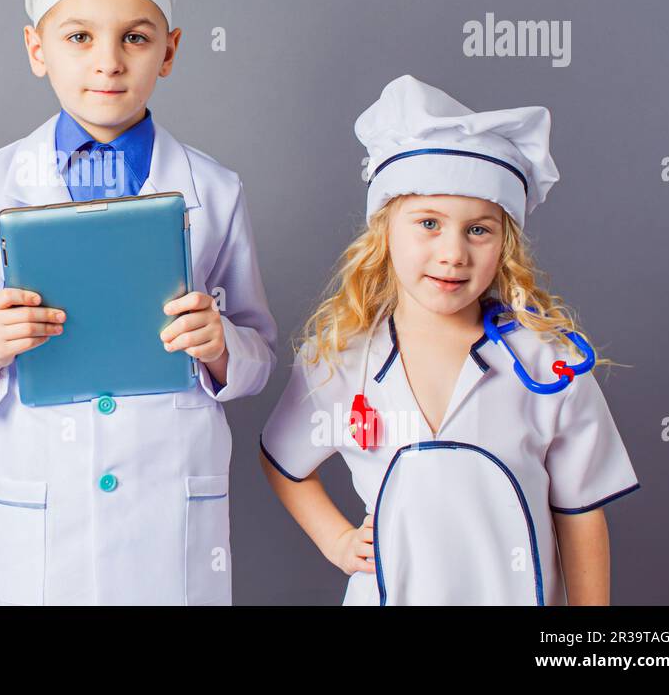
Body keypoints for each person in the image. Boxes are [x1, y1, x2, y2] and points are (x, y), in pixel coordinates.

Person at [0, 0, 277, 604]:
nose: (108, 63)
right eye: (79, 37)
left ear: (169, 50)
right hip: (47, 505)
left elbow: (261, 355)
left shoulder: (215, 188)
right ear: (36, 49)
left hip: (169, 501)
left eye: (136, 38)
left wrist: (218, 347)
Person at [259, 74, 638, 605]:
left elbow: (581, 517)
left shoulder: (550, 366)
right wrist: (337, 539)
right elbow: (284, 464)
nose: (453, 253)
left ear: (505, 244)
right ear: (384, 231)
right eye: (429, 223)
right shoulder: (341, 360)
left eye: (478, 229)